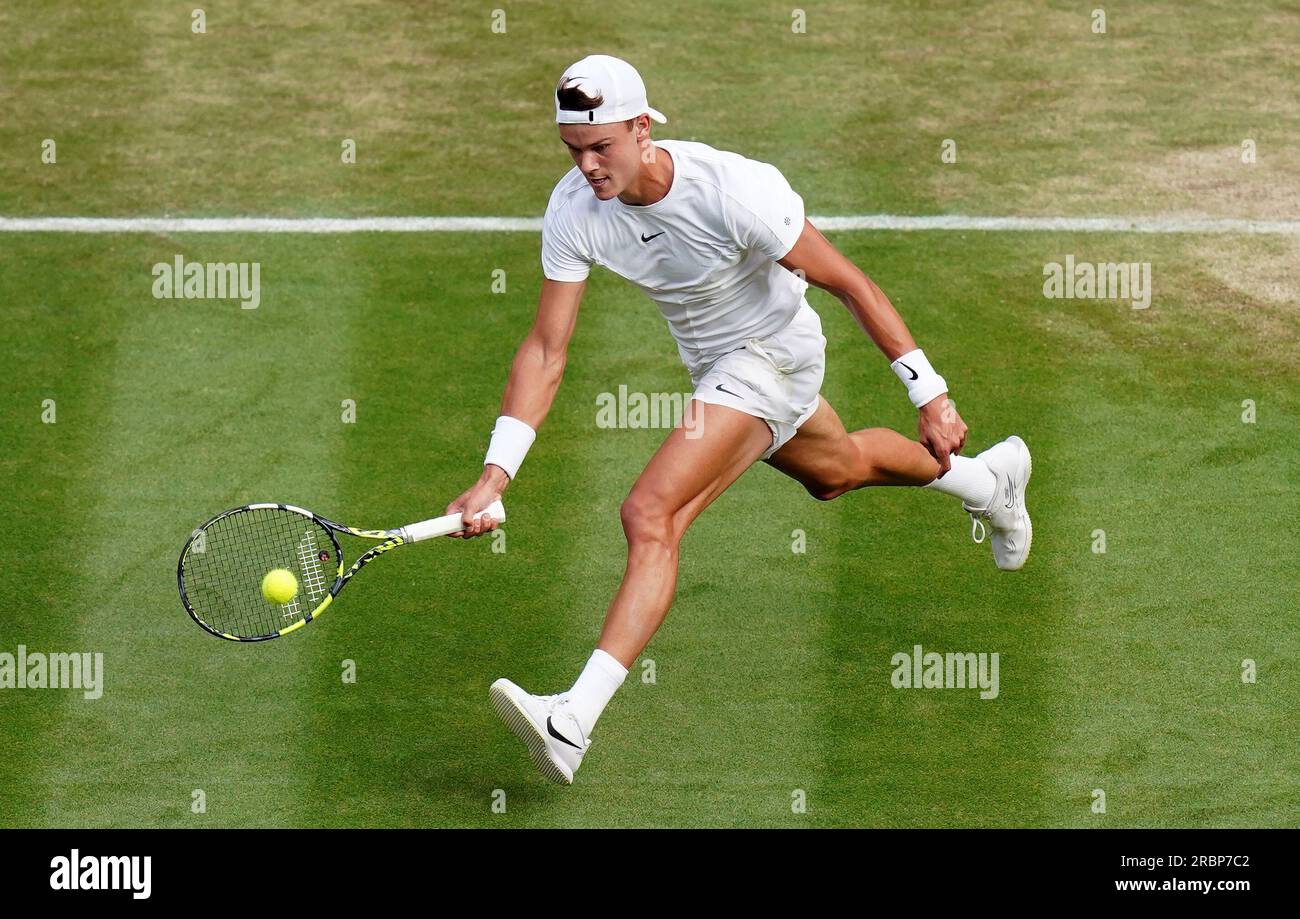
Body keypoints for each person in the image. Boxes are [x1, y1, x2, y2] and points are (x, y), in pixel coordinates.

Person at [446, 54, 1031, 784]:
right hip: (716, 368)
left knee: (650, 513)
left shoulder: (731, 188)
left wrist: (930, 394)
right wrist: (495, 473)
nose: (588, 165)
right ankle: (990, 484)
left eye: (601, 147)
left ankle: (573, 720)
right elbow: (544, 349)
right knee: (837, 470)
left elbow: (847, 281)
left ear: (640, 128)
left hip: (776, 355)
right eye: (574, 150)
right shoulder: (573, 211)